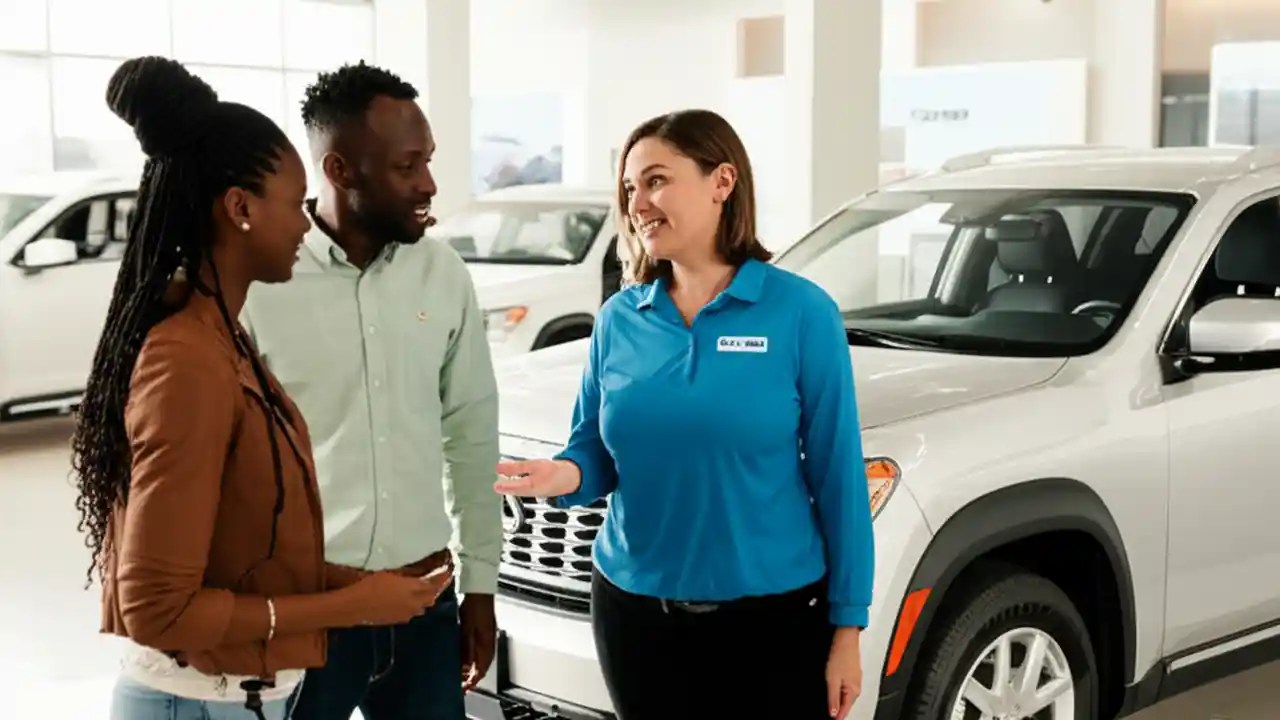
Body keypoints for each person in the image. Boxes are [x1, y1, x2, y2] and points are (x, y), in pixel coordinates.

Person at [69, 56, 454, 720]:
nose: (306, 223)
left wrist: (367, 586)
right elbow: (157, 609)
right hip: (197, 703)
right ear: (241, 209)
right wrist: (352, 606)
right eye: (291, 202)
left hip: (237, 699)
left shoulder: (224, 336)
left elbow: (249, 555)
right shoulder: (186, 360)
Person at [494, 109, 875, 720]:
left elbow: (839, 479)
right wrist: (560, 476)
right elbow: (594, 449)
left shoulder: (801, 313)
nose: (637, 203)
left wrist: (847, 629)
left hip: (773, 618)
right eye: (628, 188)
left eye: (656, 180)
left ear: (722, 181)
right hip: (635, 614)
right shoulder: (621, 319)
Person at [239, 61, 501, 720]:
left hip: (425, 603)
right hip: (308, 608)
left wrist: (481, 587)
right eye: (408, 166)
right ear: (339, 170)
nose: (429, 184)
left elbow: (471, 431)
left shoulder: (443, 274)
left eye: (429, 160)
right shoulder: (261, 281)